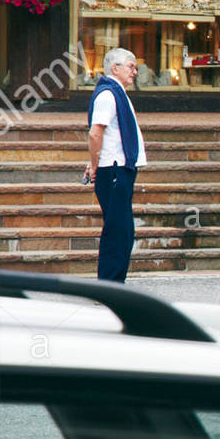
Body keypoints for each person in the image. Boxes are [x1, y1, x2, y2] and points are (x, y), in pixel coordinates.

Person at [85, 48, 147, 283]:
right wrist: (94, 164)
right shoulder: (108, 95)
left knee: (123, 230)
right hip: (113, 170)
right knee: (117, 230)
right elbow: (95, 133)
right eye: (131, 66)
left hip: (118, 168)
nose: (135, 72)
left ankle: (115, 283)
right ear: (115, 68)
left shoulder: (116, 93)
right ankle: (109, 285)